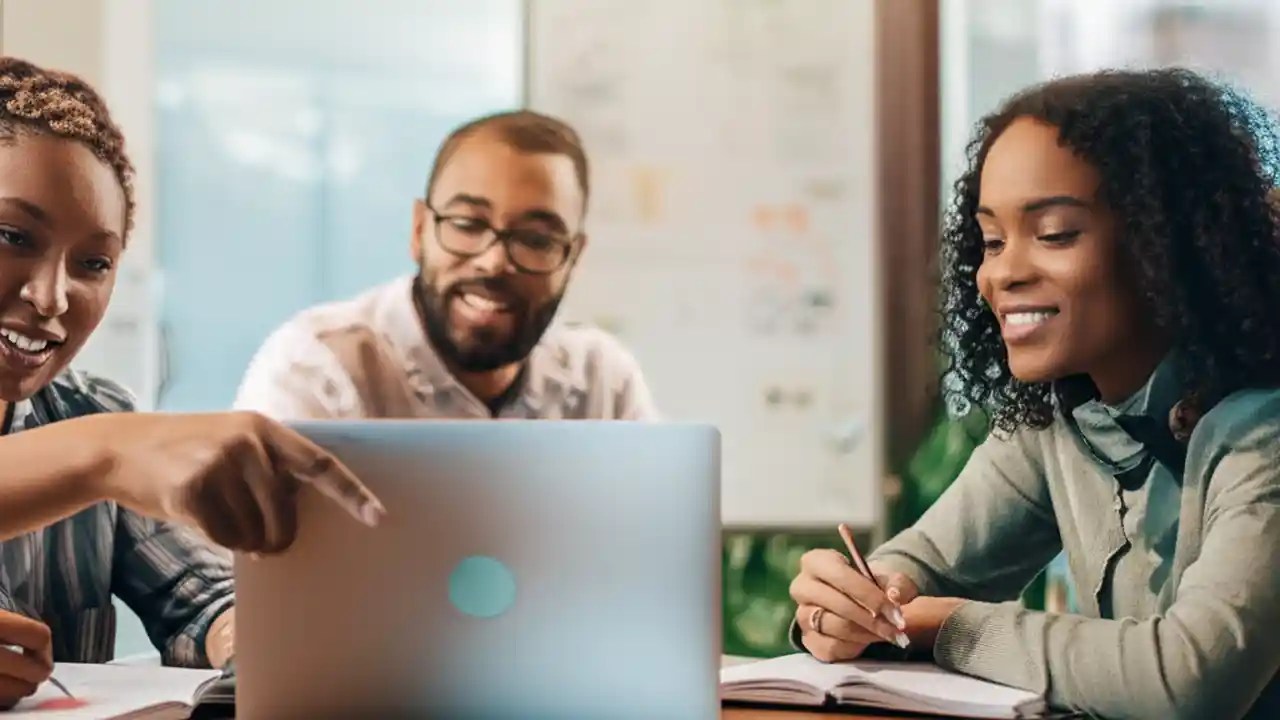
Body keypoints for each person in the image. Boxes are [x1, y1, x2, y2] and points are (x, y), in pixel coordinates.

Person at [789, 68, 1280, 719]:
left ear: (1170, 244)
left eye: (1053, 233)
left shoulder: (1262, 432)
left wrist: (952, 626)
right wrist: (847, 608)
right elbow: (913, 573)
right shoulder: (1057, 422)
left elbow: (1189, 682)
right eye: (992, 240)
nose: (1004, 272)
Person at [0, 57, 382, 709]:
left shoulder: (87, 411)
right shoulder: (102, 438)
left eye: (94, 263)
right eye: (11, 236)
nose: (52, 297)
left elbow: (203, 597)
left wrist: (255, 640)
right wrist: (107, 451)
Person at [233, 110, 656, 421]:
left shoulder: (603, 382)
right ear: (419, 230)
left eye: (535, 239)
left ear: (573, 258)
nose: (494, 262)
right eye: (468, 224)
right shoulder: (317, 368)